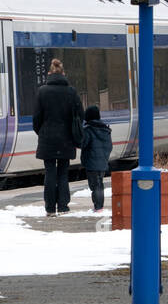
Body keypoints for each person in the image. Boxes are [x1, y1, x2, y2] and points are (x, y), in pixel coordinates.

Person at [33, 58, 83, 216]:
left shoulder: (42, 91)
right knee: (63, 172)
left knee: (50, 172)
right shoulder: (71, 92)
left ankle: (49, 208)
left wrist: (42, 132)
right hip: (66, 138)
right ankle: (63, 206)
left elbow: (36, 119)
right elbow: (80, 116)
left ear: (49, 73)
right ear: (64, 73)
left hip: (47, 139)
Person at [80, 105, 113, 212]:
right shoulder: (105, 129)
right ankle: (98, 206)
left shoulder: (88, 130)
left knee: (95, 185)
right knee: (99, 183)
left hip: (91, 162)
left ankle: (98, 207)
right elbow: (109, 146)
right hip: (102, 161)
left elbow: (83, 144)